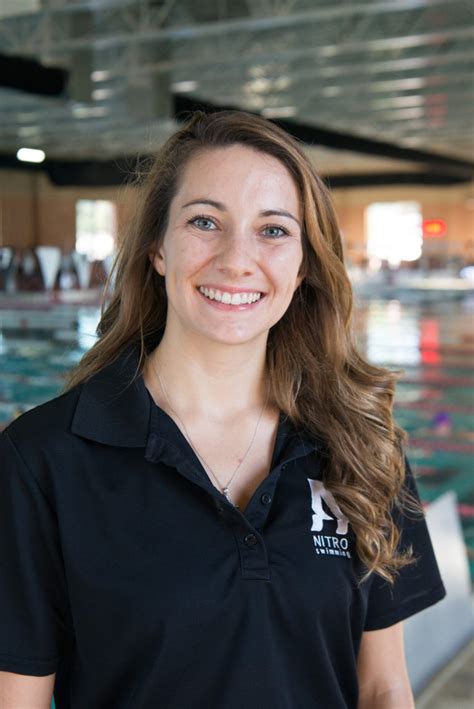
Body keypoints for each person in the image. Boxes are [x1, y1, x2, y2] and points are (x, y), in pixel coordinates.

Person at [0, 110, 446, 709]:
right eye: (205, 221)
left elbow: (383, 686)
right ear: (157, 246)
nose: (237, 260)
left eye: (273, 230)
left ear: (305, 264)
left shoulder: (362, 443)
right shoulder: (43, 460)